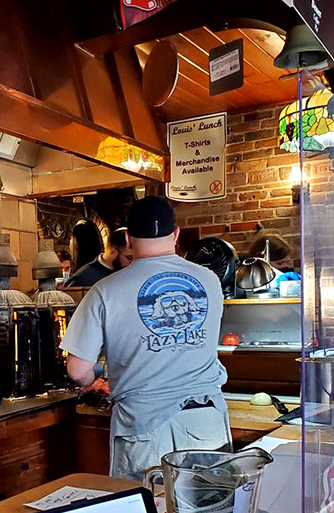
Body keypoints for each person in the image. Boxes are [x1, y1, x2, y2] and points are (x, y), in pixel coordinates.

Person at [61, 197, 230, 479]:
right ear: (176, 235)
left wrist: (93, 381)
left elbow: (77, 369)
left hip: (144, 427)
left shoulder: (105, 290)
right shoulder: (210, 281)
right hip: (205, 423)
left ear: (128, 239)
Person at [65, 227, 133, 287]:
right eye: (129, 258)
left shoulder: (128, 274)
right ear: (113, 251)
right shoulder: (83, 278)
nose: (133, 263)